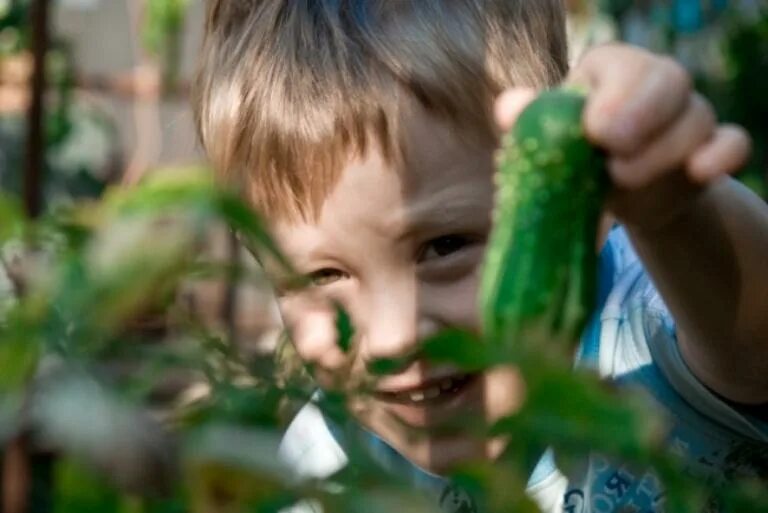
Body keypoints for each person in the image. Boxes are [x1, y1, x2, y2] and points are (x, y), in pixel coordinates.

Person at [191, 1, 768, 511]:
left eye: (444, 247)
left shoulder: (643, 331)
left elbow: (751, 341)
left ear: (589, 212)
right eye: (322, 274)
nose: (394, 339)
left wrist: (672, 216)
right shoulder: (325, 469)